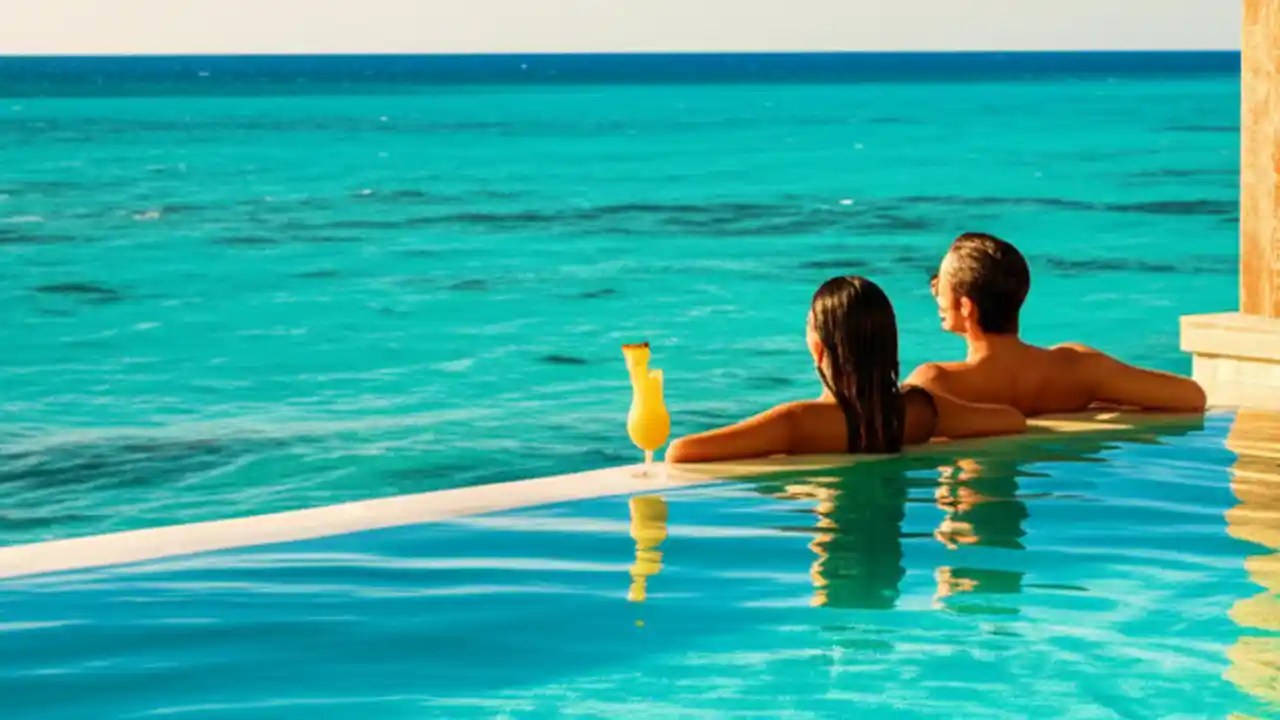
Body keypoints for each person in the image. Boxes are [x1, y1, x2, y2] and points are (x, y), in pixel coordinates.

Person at [665, 276, 1026, 464]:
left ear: (819, 347)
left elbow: (681, 452)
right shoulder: (919, 412)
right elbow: (1010, 420)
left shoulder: (797, 423)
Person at [904, 233, 1207, 415]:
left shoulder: (937, 382)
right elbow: (1191, 396)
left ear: (967, 307)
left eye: (939, 282)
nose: (933, 289)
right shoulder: (1078, 369)